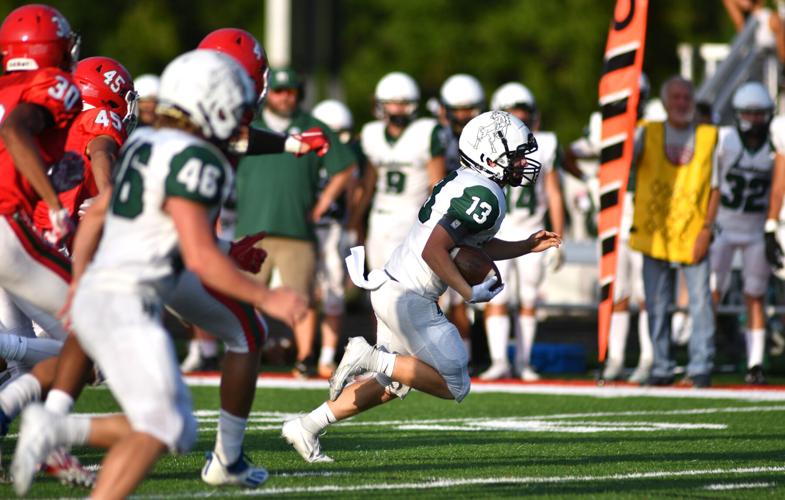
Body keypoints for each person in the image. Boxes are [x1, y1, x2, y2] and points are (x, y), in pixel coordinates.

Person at [11, 50, 307, 498]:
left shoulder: (146, 143)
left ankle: (53, 426)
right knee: (171, 428)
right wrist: (270, 298)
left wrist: (79, 284)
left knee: (168, 426)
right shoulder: (197, 159)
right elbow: (200, 257)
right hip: (129, 302)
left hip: (100, 290)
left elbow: (96, 217)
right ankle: (55, 428)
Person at [282, 110, 561, 463]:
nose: (522, 162)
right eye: (516, 155)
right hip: (410, 297)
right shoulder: (485, 195)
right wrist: (469, 291)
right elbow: (435, 250)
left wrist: (525, 244)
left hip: (391, 286)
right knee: (455, 384)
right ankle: (369, 356)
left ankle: (307, 425)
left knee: (391, 385)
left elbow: (470, 246)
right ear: (491, 155)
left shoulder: (468, 182)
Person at [235, 67, 354, 378]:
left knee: (300, 299)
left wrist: (322, 204)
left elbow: (344, 167)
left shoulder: (313, 127)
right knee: (243, 297)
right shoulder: (249, 128)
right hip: (252, 225)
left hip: (296, 229)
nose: (285, 97)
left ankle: (304, 358)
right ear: (267, 94)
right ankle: (244, 352)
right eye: (279, 91)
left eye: (291, 91)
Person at [629, 76, 720, 388]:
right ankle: (662, 366)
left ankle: (700, 367)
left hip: (693, 229)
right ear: (666, 102)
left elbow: (715, 188)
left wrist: (707, 229)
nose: (682, 103)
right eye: (676, 97)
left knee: (700, 302)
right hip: (654, 230)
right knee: (656, 302)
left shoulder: (709, 137)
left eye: (687, 97)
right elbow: (625, 165)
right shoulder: (647, 133)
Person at [480, 82, 565, 381]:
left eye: (524, 115)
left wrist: (559, 236)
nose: (521, 121)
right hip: (498, 231)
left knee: (528, 299)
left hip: (531, 231)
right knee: (497, 298)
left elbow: (554, 193)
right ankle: (500, 360)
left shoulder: (546, 144)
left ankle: (524, 362)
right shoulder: (487, 145)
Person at [710, 81, 774, 385]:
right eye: (751, 113)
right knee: (711, 292)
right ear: (738, 114)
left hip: (756, 228)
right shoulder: (725, 141)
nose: (757, 120)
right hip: (723, 226)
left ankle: (755, 363)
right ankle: (703, 355)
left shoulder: (775, 144)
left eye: (762, 113)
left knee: (755, 295)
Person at [361, 71, 446, 272]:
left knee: (403, 281)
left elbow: (437, 183)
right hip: (379, 216)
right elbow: (367, 184)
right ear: (381, 104)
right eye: (392, 103)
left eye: (403, 103)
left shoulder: (426, 131)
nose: (398, 109)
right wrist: (355, 222)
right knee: (377, 281)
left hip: (411, 215)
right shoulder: (370, 133)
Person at [437, 73, 485, 370]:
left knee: (460, 297)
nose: (463, 115)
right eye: (458, 108)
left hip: (470, 220)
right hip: (443, 219)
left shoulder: (485, 135)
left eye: (469, 108)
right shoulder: (436, 136)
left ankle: (463, 357)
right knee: (438, 296)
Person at [311, 99, 361, 378]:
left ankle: (326, 356)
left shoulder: (348, 162)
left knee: (333, 294)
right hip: (305, 231)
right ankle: (302, 350)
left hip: (333, 229)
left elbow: (353, 196)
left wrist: (351, 229)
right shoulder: (302, 157)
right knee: (303, 293)